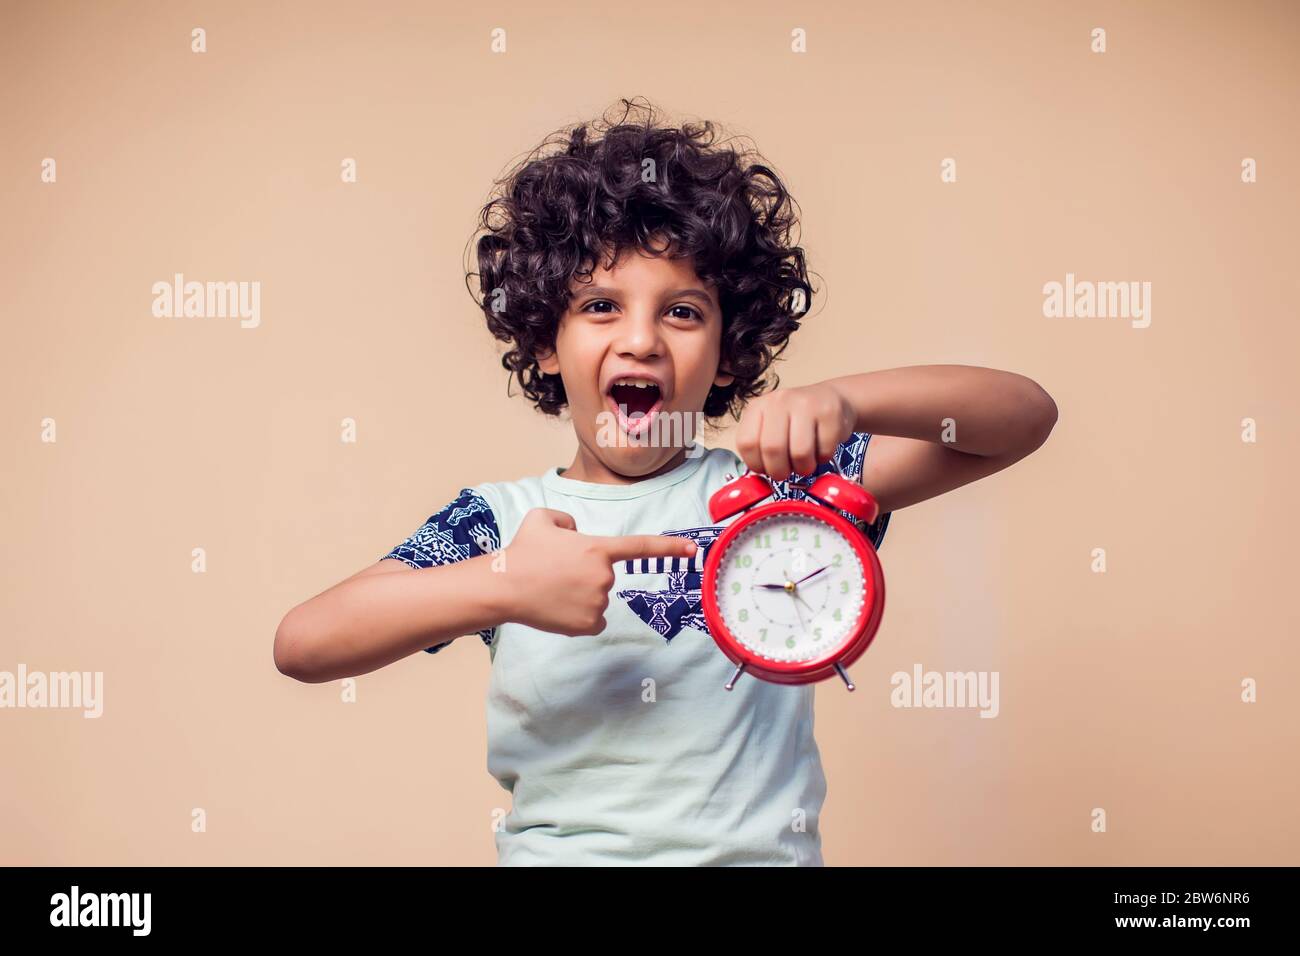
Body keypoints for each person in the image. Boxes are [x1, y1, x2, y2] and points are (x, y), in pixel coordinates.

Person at [273, 98, 1058, 865]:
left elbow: (1020, 419)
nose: (642, 339)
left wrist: (849, 401)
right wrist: (505, 583)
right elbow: (304, 643)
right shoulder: (502, 523)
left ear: (729, 349)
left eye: (683, 312)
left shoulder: (788, 494)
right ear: (546, 342)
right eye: (601, 306)